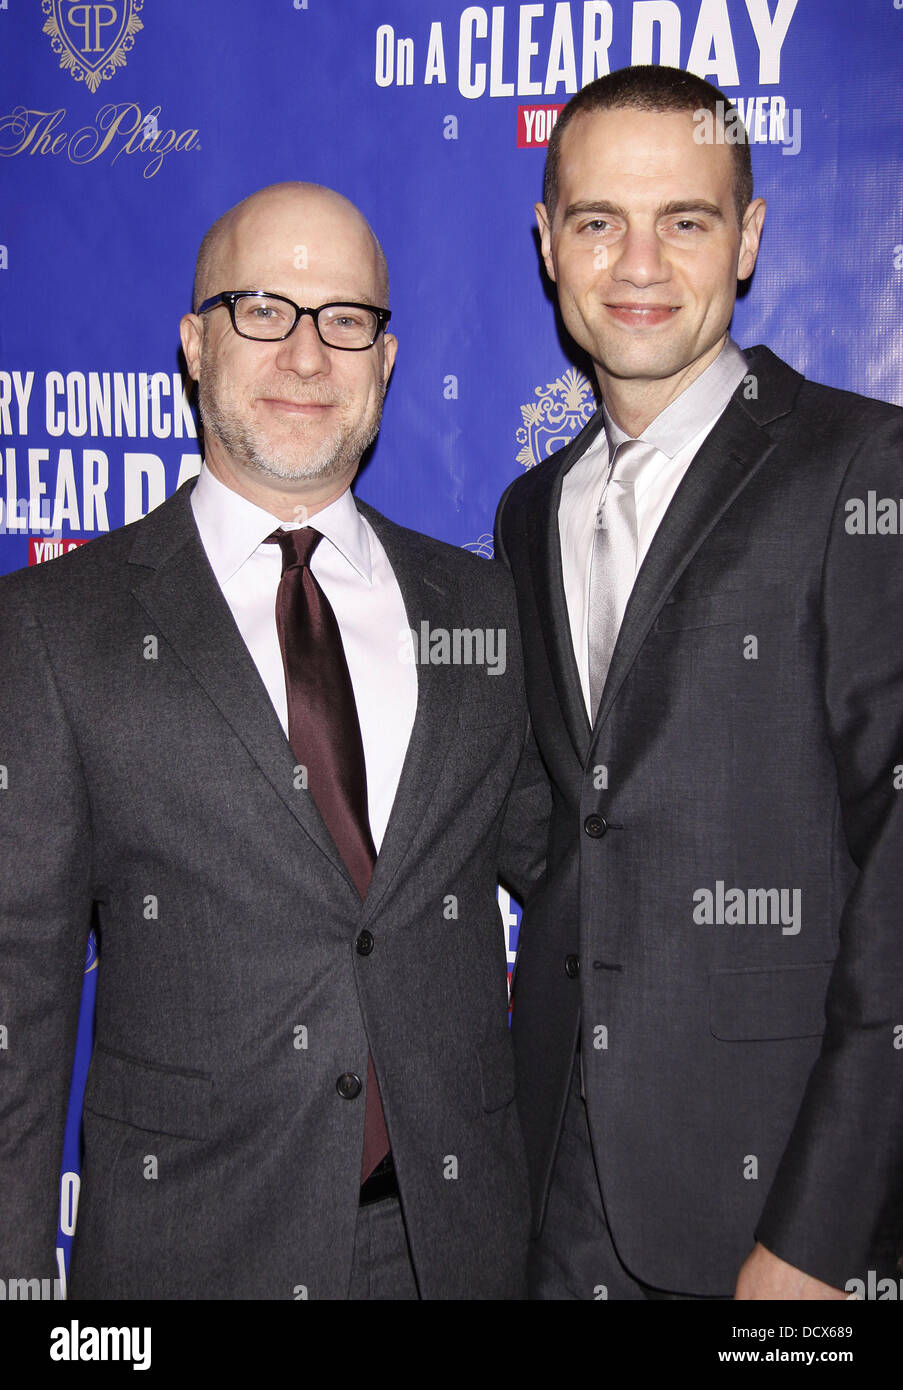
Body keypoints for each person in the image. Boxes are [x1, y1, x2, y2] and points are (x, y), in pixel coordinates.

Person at [0, 181, 548, 1300]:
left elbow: (584, 881)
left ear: (386, 364)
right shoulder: (56, 630)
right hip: (188, 1256)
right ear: (196, 345)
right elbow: (19, 996)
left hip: (454, 1251)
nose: (307, 353)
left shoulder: (485, 609)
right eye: (264, 309)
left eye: (345, 318)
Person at [495, 65, 903, 1300]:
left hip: (772, 1199)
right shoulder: (528, 513)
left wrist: (818, 1238)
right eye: (597, 221)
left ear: (750, 239)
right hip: (558, 1181)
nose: (638, 265)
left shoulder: (860, 466)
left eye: (685, 219)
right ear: (548, 244)